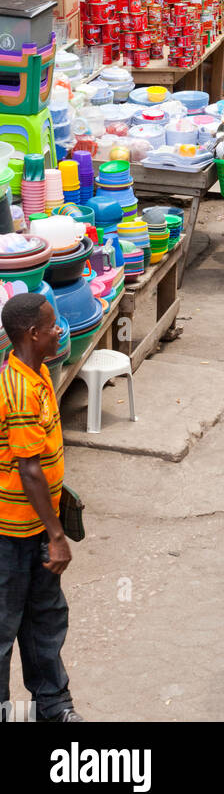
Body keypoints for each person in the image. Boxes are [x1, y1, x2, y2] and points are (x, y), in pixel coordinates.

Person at [0, 293, 82, 724]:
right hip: (11, 534)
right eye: (52, 324)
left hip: (35, 525)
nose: (59, 328)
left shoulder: (41, 374)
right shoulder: (15, 389)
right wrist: (56, 535)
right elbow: (29, 469)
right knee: (3, 629)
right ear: (33, 334)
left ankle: (53, 706)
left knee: (45, 619)